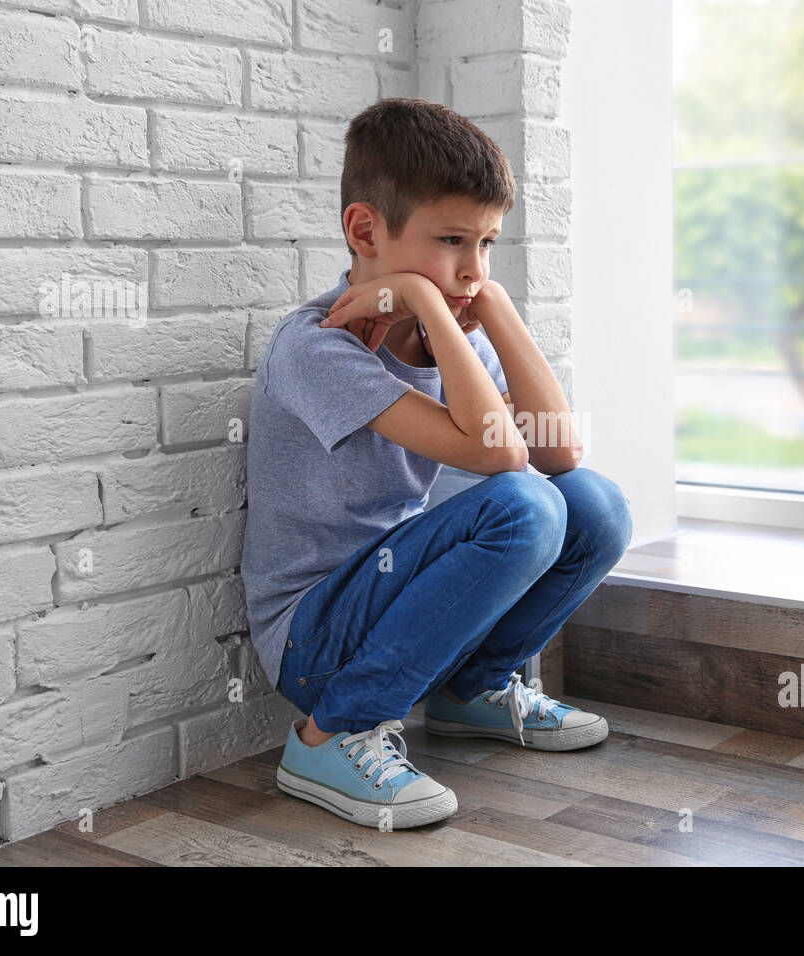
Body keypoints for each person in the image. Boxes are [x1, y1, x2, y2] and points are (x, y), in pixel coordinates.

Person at [241, 97, 633, 830]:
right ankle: (329, 737)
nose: (471, 271)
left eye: (487, 245)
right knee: (524, 507)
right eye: (453, 241)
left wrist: (497, 310)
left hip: (399, 606)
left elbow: (556, 446)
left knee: (594, 504)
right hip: (315, 639)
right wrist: (421, 294)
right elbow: (499, 455)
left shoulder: (447, 331)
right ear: (366, 230)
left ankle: (470, 692)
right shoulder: (316, 347)